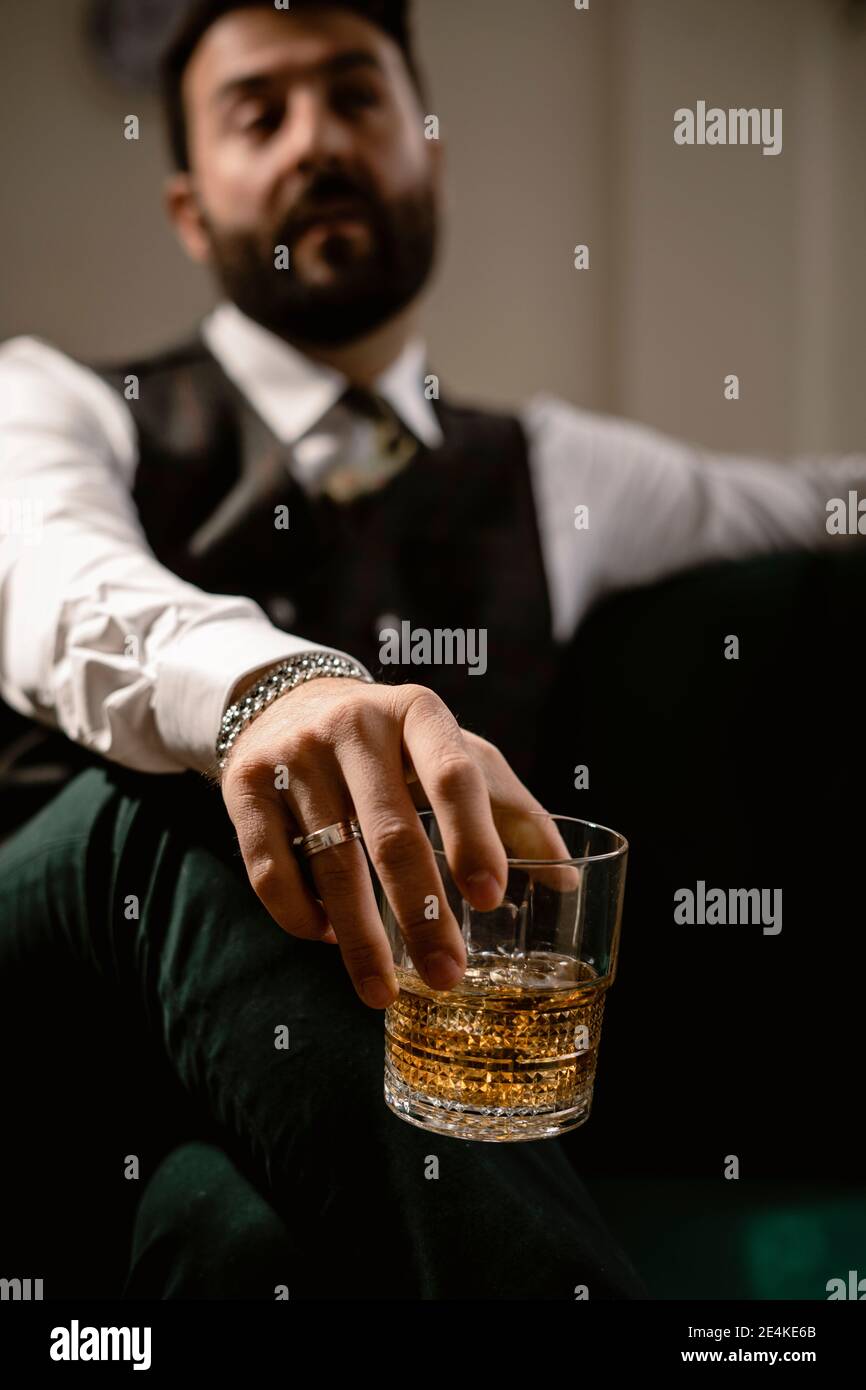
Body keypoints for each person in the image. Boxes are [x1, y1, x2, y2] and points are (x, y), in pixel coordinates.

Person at [0, 0, 862, 1300]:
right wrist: (271, 692)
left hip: (337, 1077)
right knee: (198, 813)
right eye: (260, 112)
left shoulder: (559, 470)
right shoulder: (55, 401)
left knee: (241, 1246)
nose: (316, 140)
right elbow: (55, 582)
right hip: (61, 974)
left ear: (428, 150)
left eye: (356, 95)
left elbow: (821, 499)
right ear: (191, 207)